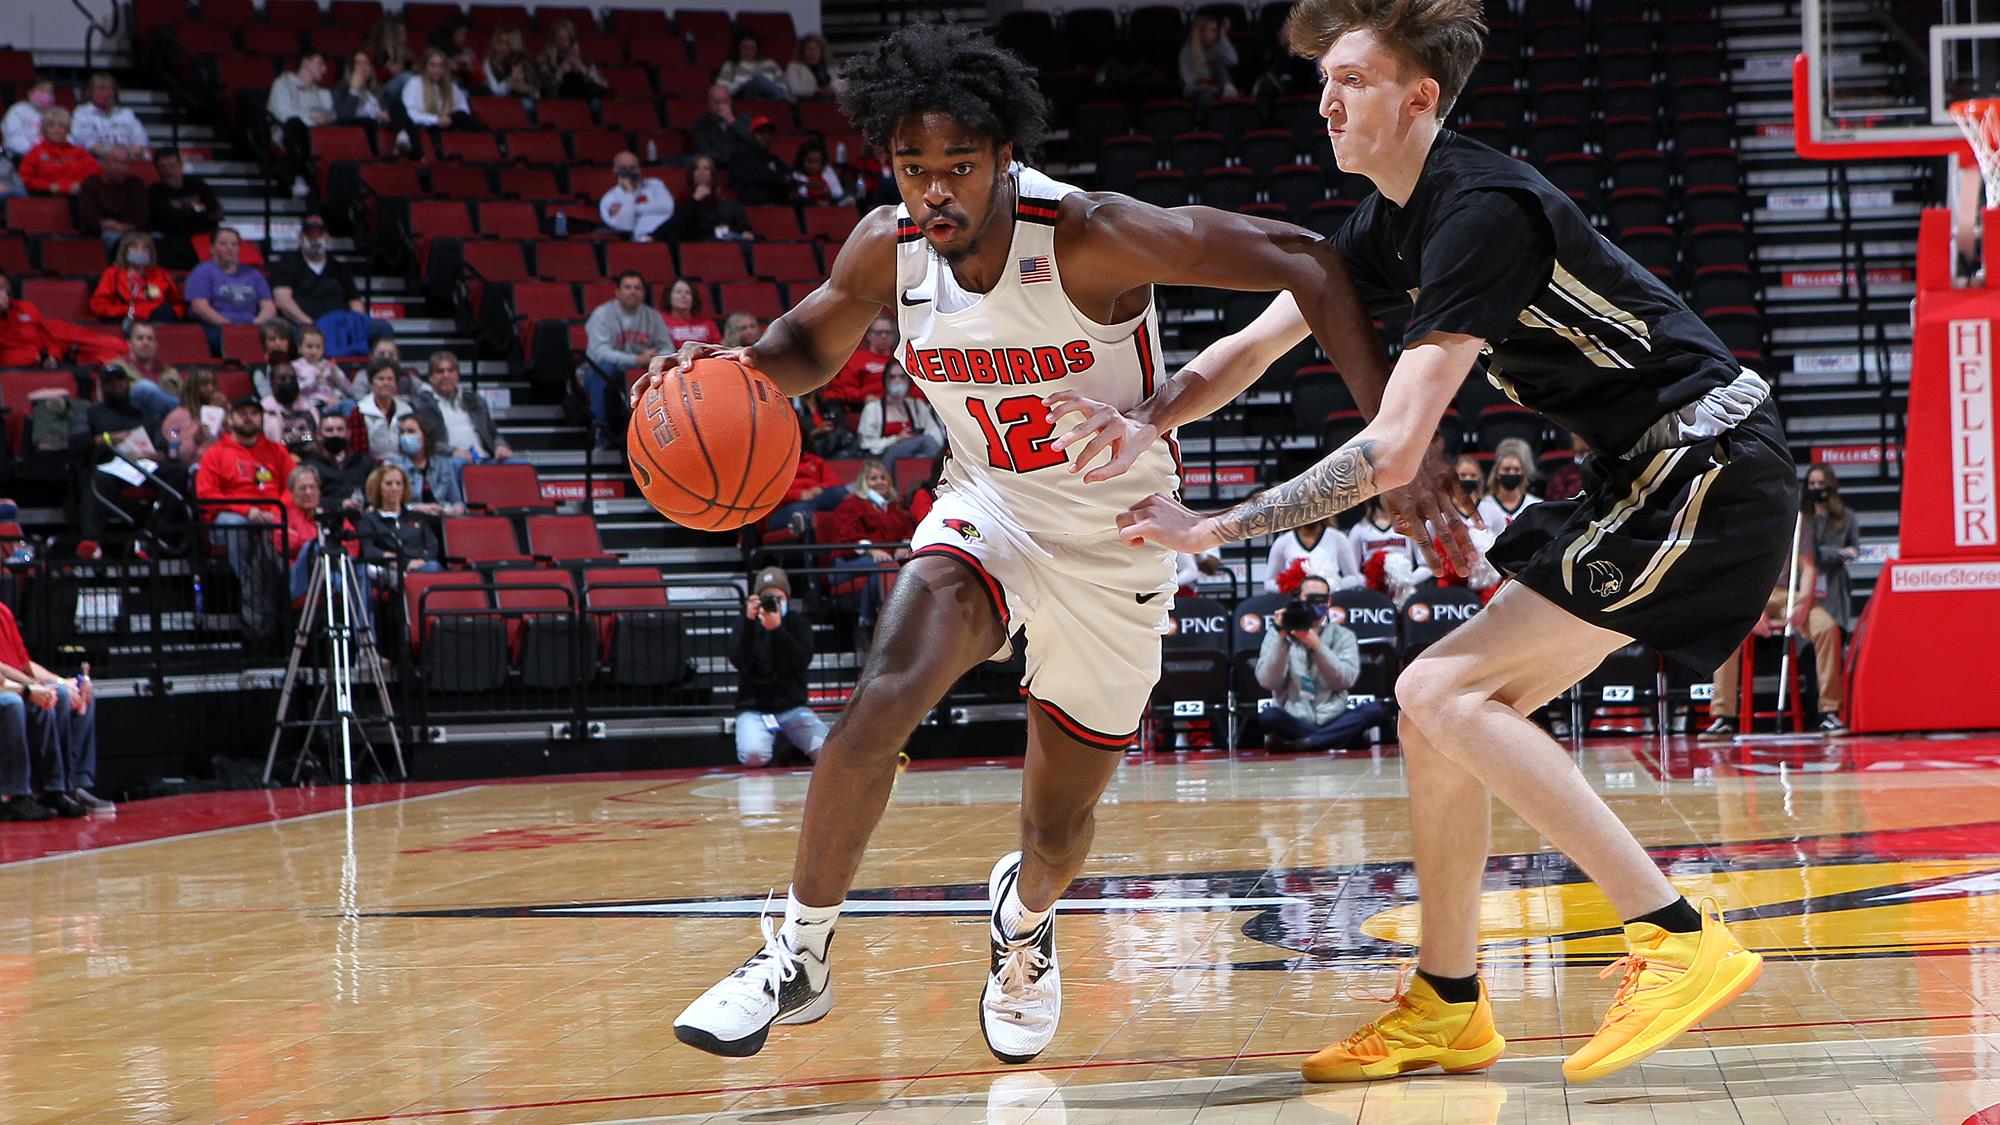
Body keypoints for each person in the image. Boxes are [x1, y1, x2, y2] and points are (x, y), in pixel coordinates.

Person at [653, 22, 1399, 1064]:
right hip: (988, 511)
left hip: (1117, 541)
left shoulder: (1089, 233)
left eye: (958, 167)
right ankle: (799, 953)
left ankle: (1025, 923)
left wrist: (1388, 444)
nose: (934, 193)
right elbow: (804, 345)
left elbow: (1309, 262)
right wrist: (719, 376)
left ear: (1006, 156)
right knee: (878, 701)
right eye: (913, 170)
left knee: (1052, 833)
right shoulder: (889, 247)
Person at [1091, 0, 1792, 1085]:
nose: (1325, 101)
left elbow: (1393, 447)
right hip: (1646, 471)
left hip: (1704, 467)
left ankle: (1672, 933)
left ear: (1418, 99)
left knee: (1438, 693)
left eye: (1353, 82)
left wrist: (1214, 528)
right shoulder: (1388, 223)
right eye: (1321, 81)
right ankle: (1448, 1002)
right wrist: (1150, 417)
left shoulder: (1478, 211)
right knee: (1440, 717)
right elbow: (1256, 340)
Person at [1703, 536, 1848, 737]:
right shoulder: (1743, 513)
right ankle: (1724, 716)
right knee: (1725, 633)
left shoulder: (1797, 516)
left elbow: (1808, 567)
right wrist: (1752, 607)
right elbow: (1733, 569)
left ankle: (1829, 712)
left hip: (1787, 594)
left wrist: (1804, 603)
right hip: (1748, 594)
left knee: (1826, 628)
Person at [196, 395, 297, 641]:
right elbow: (206, 494)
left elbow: (293, 486)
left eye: (254, 413)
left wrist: (275, 511)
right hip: (231, 520)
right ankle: (255, 597)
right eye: (243, 413)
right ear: (231, 419)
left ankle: (279, 599)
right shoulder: (216, 453)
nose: (249, 418)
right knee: (237, 526)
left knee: (282, 527)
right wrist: (247, 511)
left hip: (271, 516)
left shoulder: (277, 451)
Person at [0, 598, 109, 816]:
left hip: (13, 684)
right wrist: (32, 688)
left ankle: (66, 786)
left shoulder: (3, 611)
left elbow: (25, 664)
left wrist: (60, 682)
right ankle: (17, 794)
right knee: (16, 702)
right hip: (7, 688)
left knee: (72, 691)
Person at [1255, 573, 1385, 751]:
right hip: (1294, 717)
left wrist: (1317, 646)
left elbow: (1346, 681)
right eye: (1310, 598)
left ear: (1329, 601)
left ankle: (1304, 744)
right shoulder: (1277, 633)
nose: (1316, 604)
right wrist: (1282, 639)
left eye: (1321, 599)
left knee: (1374, 710)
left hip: (1334, 716)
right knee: (1269, 716)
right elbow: (1267, 681)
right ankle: (1338, 738)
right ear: (1298, 599)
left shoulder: (1344, 635)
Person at [730, 567, 827, 767]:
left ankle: (789, 745)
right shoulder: (745, 623)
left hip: (793, 708)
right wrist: (749, 623)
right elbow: (737, 660)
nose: (772, 602)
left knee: (828, 752)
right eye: (767, 597)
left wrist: (778, 630)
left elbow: (801, 660)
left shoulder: (799, 623)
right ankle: (776, 744)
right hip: (754, 709)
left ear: (787, 598)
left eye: (778, 597)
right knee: (753, 755)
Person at [826, 458, 916, 637]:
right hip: (846, 564)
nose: (879, 482)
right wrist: (871, 550)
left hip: (882, 565)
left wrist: (903, 545)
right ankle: (866, 621)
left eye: (883, 478)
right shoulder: (850, 504)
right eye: (873, 478)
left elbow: (909, 532)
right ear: (864, 482)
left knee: (888, 568)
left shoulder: (895, 509)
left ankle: (882, 622)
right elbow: (845, 539)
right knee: (882, 566)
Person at [582, 271, 672, 448]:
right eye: (628, 287)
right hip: (601, 372)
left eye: (637, 288)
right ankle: (600, 431)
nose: (633, 291)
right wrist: (637, 359)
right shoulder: (602, 314)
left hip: (640, 370)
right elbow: (599, 353)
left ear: (643, 293)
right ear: (617, 292)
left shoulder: (653, 316)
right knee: (606, 369)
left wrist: (656, 357)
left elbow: (668, 347)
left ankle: (656, 439)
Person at [271, 215, 393, 345]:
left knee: (383, 328)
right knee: (294, 334)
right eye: (311, 235)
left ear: (327, 236)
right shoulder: (286, 264)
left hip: (340, 324)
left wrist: (354, 323)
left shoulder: (339, 268)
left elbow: (355, 302)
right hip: (305, 324)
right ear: (301, 237)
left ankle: (381, 364)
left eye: (319, 235)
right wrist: (309, 324)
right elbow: (283, 301)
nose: (315, 240)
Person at [0, 271, 122, 367]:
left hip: (59, 335)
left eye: (6, 290)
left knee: (114, 347)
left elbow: (48, 338)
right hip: (30, 362)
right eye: (0, 289)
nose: (4, 295)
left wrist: (53, 356)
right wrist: (37, 356)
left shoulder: (26, 308)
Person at [413, 349, 513, 465]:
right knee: (458, 463)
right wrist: (453, 451)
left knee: (517, 464)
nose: (446, 375)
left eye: (450, 371)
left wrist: (501, 446)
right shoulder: (422, 404)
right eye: (440, 372)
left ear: (458, 375)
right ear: (431, 378)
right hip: (448, 460)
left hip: (484, 458)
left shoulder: (475, 400)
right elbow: (426, 441)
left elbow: (494, 434)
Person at [185, 227, 277, 352]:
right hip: (216, 327)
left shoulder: (254, 274)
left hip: (252, 325)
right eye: (223, 244)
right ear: (212, 248)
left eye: (234, 244)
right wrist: (229, 326)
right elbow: (199, 307)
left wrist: (257, 324)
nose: (229, 248)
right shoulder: (201, 272)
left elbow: (268, 306)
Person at [358, 462, 442, 586]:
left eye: (398, 483)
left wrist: (422, 560)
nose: (394, 488)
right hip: (391, 569)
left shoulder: (417, 516)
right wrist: (388, 557)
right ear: (378, 488)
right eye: (388, 484)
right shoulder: (369, 520)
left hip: (421, 566)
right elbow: (368, 549)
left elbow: (432, 546)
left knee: (433, 568)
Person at [1802, 462, 1859, 632]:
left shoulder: (1846, 516)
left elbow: (1854, 548)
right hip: (1806, 578)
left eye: (1821, 483)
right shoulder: (1801, 517)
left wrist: (1844, 553)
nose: (1816, 487)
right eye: (1812, 484)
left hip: (1835, 582)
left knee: (1835, 629)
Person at [268, 52, 334, 199]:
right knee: (295, 125)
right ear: (305, 62)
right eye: (320, 63)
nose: (325, 70)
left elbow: (331, 116)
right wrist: (311, 118)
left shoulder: (323, 93)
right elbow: (284, 115)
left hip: (317, 136)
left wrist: (321, 119)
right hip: (288, 135)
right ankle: (298, 176)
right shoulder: (282, 84)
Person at [148, 148, 224, 269]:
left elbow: (216, 213)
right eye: (163, 167)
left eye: (172, 165)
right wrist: (201, 216)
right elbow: (164, 221)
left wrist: (181, 216)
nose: (169, 171)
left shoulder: (198, 185)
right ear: (157, 169)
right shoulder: (155, 192)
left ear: (181, 165)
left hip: (204, 238)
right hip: (173, 241)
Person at [856, 362, 942, 465]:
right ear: (885, 380)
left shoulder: (917, 406)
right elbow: (866, 444)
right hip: (883, 459)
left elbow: (935, 436)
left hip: (916, 458)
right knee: (926, 441)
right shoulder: (873, 408)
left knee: (929, 442)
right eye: (892, 377)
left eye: (902, 377)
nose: (897, 381)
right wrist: (896, 439)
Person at [90, 233, 186, 323]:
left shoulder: (160, 274)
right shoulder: (113, 273)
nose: (140, 253)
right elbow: (99, 305)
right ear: (125, 252)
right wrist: (131, 311)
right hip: (124, 320)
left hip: (158, 320)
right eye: (135, 249)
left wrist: (173, 313)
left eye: (145, 250)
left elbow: (177, 303)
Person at [105, 321, 184, 424]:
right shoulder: (115, 367)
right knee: (144, 387)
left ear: (156, 345)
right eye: (140, 338)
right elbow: (105, 402)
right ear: (129, 343)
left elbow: (185, 398)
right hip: (129, 421)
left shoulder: (171, 372)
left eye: (150, 339)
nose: (145, 343)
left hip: (166, 426)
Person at [77, 145, 150, 254]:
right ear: (105, 163)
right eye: (115, 161)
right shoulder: (91, 185)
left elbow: (142, 214)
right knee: (118, 240)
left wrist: (122, 226)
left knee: (153, 240)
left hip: (132, 230)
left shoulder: (136, 184)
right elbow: (86, 217)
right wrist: (104, 224)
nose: (119, 167)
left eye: (123, 163)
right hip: (104, 233)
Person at [388, 412, 463, 514]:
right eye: (402, 432)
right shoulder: (394, 467)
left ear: (425, 435)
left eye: (411, 432)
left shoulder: (443, 464)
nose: (405, 436)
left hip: (441, 517)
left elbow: (456, 500)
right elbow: (389, 505)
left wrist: (456, 509)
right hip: (411, 520)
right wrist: (416, 508)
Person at [1262, 515, 1361, 593]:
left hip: (1329, 602)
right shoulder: (1283, 542)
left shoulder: (1338, 538)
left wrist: (1330, 586)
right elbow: (1269, 583)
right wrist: (1293, 588)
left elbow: (1353, 578)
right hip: (1296, 606)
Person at [300, 410, 376, 510]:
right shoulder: (309, 466)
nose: (335, 434)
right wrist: (340, 504)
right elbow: (307, 498)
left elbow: (376, 493)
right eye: (329, 430)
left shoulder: (365, 462)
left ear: (348, 433)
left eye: (340, 429)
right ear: (318, 435)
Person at [670, 153, 754, 242]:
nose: (701, 172)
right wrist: (695, 200)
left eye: (706, 169)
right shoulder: (684, 196)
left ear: (712, 174)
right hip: (699, 244)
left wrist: (746, 231)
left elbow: (742, 221)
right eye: (697, 169)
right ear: (692, 174)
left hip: (729, 242)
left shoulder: (726, 195)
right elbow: (679, 225)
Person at [19, 107, 100, 195]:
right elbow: (25, 180)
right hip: (45, 198)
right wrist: (48, 186)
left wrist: (81, 184)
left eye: (62, 126)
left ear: (68, 130)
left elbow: (97, 174)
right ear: (44, 129)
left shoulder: (80, 153)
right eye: (51, 126)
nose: (57, 130)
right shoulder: (34, 153)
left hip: (78, 198)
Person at [598, 151, 675, 242]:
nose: (628, 172)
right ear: (615, 171)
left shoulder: (655, 184)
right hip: (644, 239)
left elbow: (668, 208)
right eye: (623, 168)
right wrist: (629, 193)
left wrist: (628, 209)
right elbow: (626, 227)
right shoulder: (609, 199)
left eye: (632, 168)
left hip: (670, 232)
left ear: (639, 170)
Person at [728, 116, 803, 206]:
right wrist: (782, 179)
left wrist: (788, 183)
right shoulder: (740, 156)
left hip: (777, 202)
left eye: (768, 133)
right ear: (752, 135)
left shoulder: (772, 159)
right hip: (753, 205)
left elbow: (788, 175)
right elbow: (761, 176)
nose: (765, 137)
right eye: (761, 133)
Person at [822, 315, 895, 407]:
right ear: (869, 335)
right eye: (879, 332)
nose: (883, 336)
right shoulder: (855, 359)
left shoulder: (901, 359)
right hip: (868, 406)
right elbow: (846, 389)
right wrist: (865, 397)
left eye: (887, 332)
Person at [159, 367, 226, 466]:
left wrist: (224, 416)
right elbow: (175, 454)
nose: (211, 389)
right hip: (194, 470)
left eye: (213, 384)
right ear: (192, 388)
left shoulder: (221, 412)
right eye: (204, 384)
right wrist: (195, 439)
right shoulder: (174, 419)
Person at [70, 73, 149, 156]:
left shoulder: (126, 114)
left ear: (114, 93)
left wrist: (127, 154)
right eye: (99, 90)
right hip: (94, 160)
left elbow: (141, 139)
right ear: (90, 93)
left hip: (127, 160)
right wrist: (110, 154)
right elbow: (85, 140)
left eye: (107, 90)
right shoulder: (82, 113)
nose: (104, 94)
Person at [356, 357, 416, 462]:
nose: (386, 383)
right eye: (381, 379)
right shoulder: (359, 412)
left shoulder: (407, 411)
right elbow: (359, 454)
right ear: (371, 383)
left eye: (390, 379)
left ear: (396, 383)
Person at [289, 326, 359, 413]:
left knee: (350, 404)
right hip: (308, 405)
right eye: (309, 346)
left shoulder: (328, 365)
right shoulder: (294, 366)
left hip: (330, 404)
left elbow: (349, 391)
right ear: (300, 348)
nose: (314, 351)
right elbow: (293, 390)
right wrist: (314, 378)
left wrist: (335, 373)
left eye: (318, 347)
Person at [1477, 437, 1541, 530]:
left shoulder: (1535, 505)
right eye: (1507, 469)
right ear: (1497, 474)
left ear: (1523, 473)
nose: (1511, 473)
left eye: (1516, 470)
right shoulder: (1483, 506)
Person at [402, 48, 473, 131]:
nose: (437, 70)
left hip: (448, 129)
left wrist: (449, 119)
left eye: (441, 66)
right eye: (433, 65)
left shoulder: (451, 86)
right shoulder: (415, 83)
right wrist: (436, 120)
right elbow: (411, 113)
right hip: (423, 129)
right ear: (425, 67)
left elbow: (464, 110)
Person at [538, 18, 608, 99]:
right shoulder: (545, 62)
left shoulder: (583, 60)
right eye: (560, 39)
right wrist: (559, 74)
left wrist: (585, 72)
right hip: (559, 104)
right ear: (554, 40)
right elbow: (544, 94)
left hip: (583, 101)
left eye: (568, 39)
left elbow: (603, 88)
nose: (565, 43)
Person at [1180, 15, 1241, 104]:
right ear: (1200, 33)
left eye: (1216, 30)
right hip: (1197, 90)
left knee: (1218, 63)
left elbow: (1233, 61)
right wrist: (1206, 87)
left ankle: (1228, 89)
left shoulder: (1217, 46)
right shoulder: (1187, 51)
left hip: (1217, 86)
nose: (1215, 34)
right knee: (1206, 95)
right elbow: (1188, 83)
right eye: (1212, 30)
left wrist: (1222, 36)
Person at [718, 31, 792, 100]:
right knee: (758, 79)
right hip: (745, 100)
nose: (748, 51)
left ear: (757, 49)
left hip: (772, 101)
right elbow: (721, 91)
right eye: (744, 48)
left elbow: (783, 87)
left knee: (760, 80)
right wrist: (743, 83)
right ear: (738, 48)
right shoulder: (730, 65)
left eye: (752, 48)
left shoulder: (770, 64)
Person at [692, 83, 750, 164]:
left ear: (730, 101)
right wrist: (730, 158)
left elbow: (753, 142)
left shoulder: (743, 119)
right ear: (710, 104)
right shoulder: (702, 124)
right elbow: (703, 151)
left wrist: (732, 120)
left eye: (724, 101)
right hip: (716, 166)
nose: (721, 106)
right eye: (716, 102)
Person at [335, 49, 395, 125]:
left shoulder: (378, 90)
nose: (363, 67)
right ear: (351, 68)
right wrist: (354, 90)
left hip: (378, 129)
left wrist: (385, 116)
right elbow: (344, 118)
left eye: (366, 63)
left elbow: (386, 112)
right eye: (359, 64)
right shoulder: (342, 89)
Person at [2, 76, 53, 161]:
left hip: (51, 159)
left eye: (50, 91)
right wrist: (39, 153)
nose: (46, 94)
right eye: (42, 90)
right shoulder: (17, 110)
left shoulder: (55, 113)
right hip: (21, 159)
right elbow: (13, 140)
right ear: (30, 92)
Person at [660, 278, 718, 347]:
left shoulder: (709, 324)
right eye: (678, 292)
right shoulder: (660, 322)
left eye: (688, 293)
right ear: (669, 296)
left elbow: (718, 348)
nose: (683, 296)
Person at [794, 141, 852, 207]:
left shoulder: (826, 170)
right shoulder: (797, 174)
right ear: (802, 161)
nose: (813, 166)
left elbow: (838, 192)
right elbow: (800, 194)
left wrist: (829, 193)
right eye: (810, 161)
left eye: (817, 162)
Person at [785, 35, 842, 100]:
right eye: (808, 48)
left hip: (831, 101)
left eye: (816, 48)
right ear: (802, 50)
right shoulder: (793, 67)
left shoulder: (832, 66)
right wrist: (817, 90)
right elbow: (794, 89)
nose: (812, 52)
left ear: (822, 50)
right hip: (805, 102)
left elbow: (840, 87)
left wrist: (831, 88)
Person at [1545, 431, 1588, 501]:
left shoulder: (1600, 466)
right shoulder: (1564, 471)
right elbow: (1552, 499)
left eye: (1581, 437)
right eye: (1575, 438)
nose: (1579, 440)